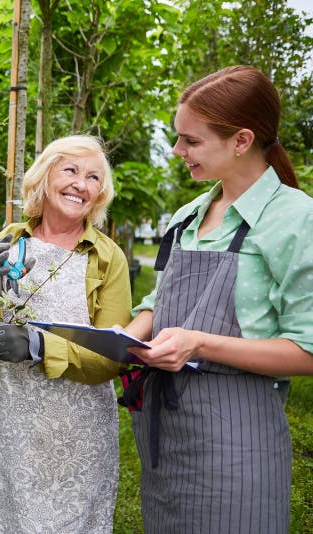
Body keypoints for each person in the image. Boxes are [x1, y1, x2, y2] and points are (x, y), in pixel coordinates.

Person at [120, 65, 313, 533]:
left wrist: (199, 344)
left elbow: (307, 350)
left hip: (237, 443)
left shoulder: (294, 218)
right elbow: (161, 297)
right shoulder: (190, 214)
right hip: (166, 435)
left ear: (241, 140)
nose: (177, 150)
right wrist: (122, 338)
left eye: (190, 140)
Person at [0, 135, 132, 533]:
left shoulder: (107, 257)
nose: (82, 184)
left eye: (93, 177)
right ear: (45, 177)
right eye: (71, 170)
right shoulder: (11, 238)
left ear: (100, 194)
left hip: (70, 431)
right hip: (0, 418)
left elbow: (113, 356)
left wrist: (38, 344)